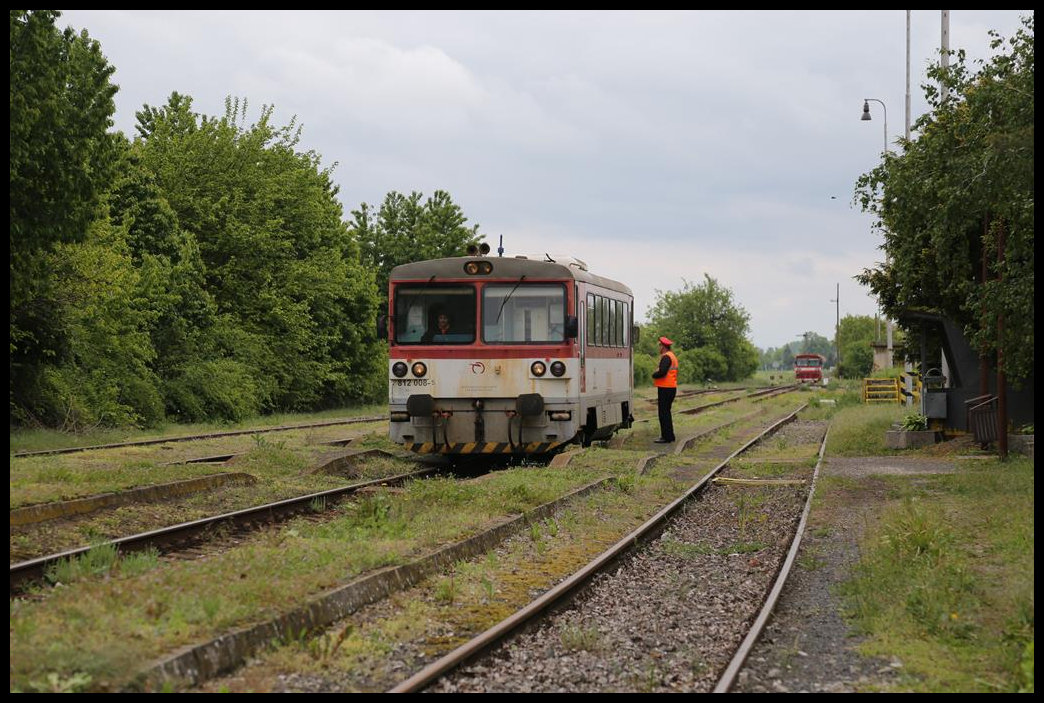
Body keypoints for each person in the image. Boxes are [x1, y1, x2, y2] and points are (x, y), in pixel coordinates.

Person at [651, 336, 678, 443]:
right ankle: (670, 436)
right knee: (666, 412)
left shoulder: (666, 357)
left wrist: (654, 374)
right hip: (670, 387)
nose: (659, 347)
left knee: (663, 413)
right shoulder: (672, 356)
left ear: (663, 346)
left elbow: (662, 372)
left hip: (665, 388)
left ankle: (666, 437)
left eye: (660, 345)